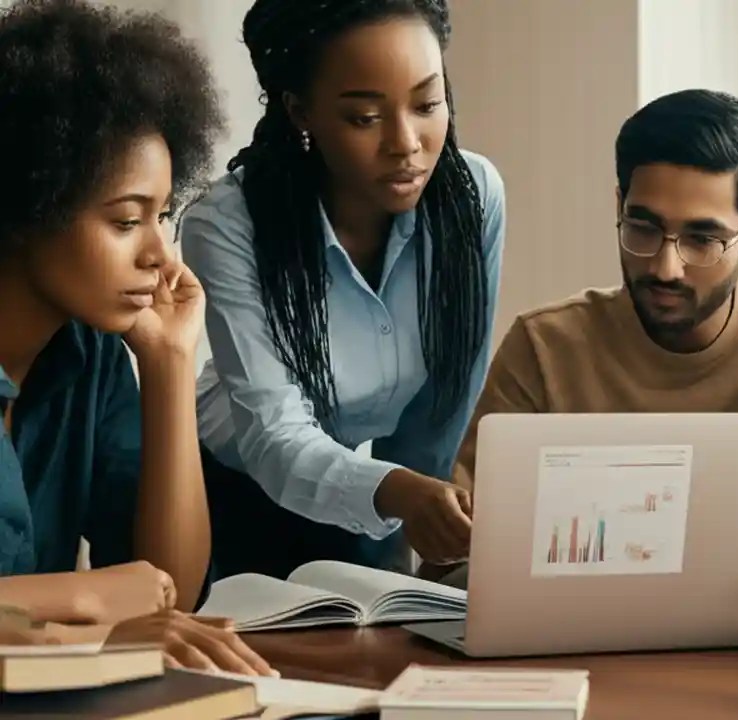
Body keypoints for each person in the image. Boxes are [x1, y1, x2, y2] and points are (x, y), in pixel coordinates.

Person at [437, 88, 738, 582]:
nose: (666, 268)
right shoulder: (544, 347)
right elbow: (455, 560)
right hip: (584, 644)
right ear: (619, 206)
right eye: (642, 228)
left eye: (702, 240)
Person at [180, 0, 504, 581]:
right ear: (301, 111)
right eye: (364, 118)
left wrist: (424, 516)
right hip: (232, 490)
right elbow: (274, 436)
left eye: (429, 104)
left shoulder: (473, 197)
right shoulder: (230, 223)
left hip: (374, 495)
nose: (406, 143)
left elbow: (446, 404)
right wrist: (401, 494)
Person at [0, 0, 272, 674]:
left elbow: (168, 591)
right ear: (29, 205)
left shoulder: (90, 356)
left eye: (163, 215)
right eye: (126, 222)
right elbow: (124, 599)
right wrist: (86, 598)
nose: (160, 253)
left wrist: (171, 360)